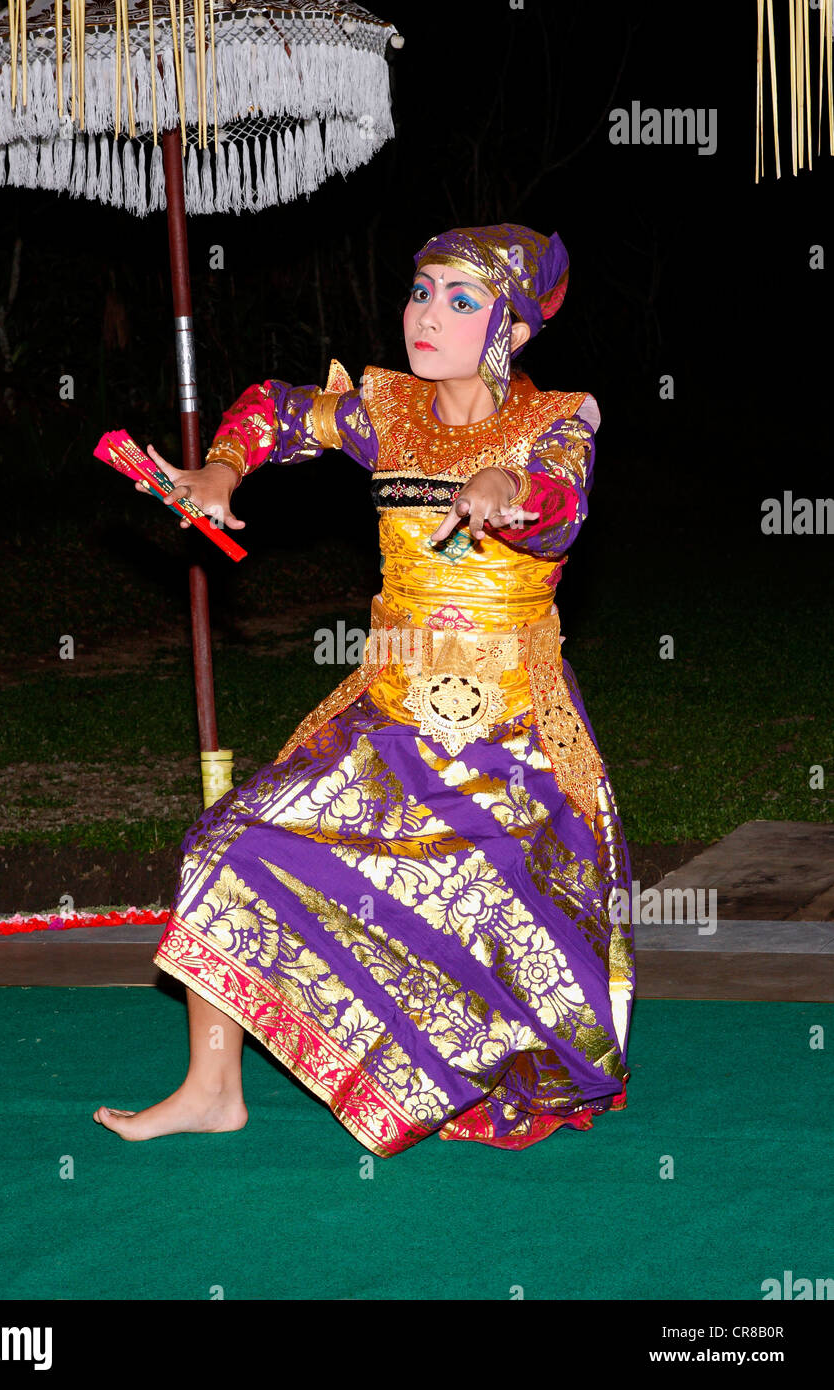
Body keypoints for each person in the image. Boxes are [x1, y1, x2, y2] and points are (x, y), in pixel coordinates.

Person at [93, 223, 634, 1156]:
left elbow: (559, 506)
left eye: (460, 300)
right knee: (227, 841)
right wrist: (220, 471)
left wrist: (503, 487)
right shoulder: (387, 409)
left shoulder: (561, 419)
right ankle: (211, 1088)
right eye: (420, 291)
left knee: (495, 915)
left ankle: (454, 1062)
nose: (426, 315)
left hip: (512, 731)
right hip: (388, 712)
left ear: (511, 324)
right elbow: (275, 408)